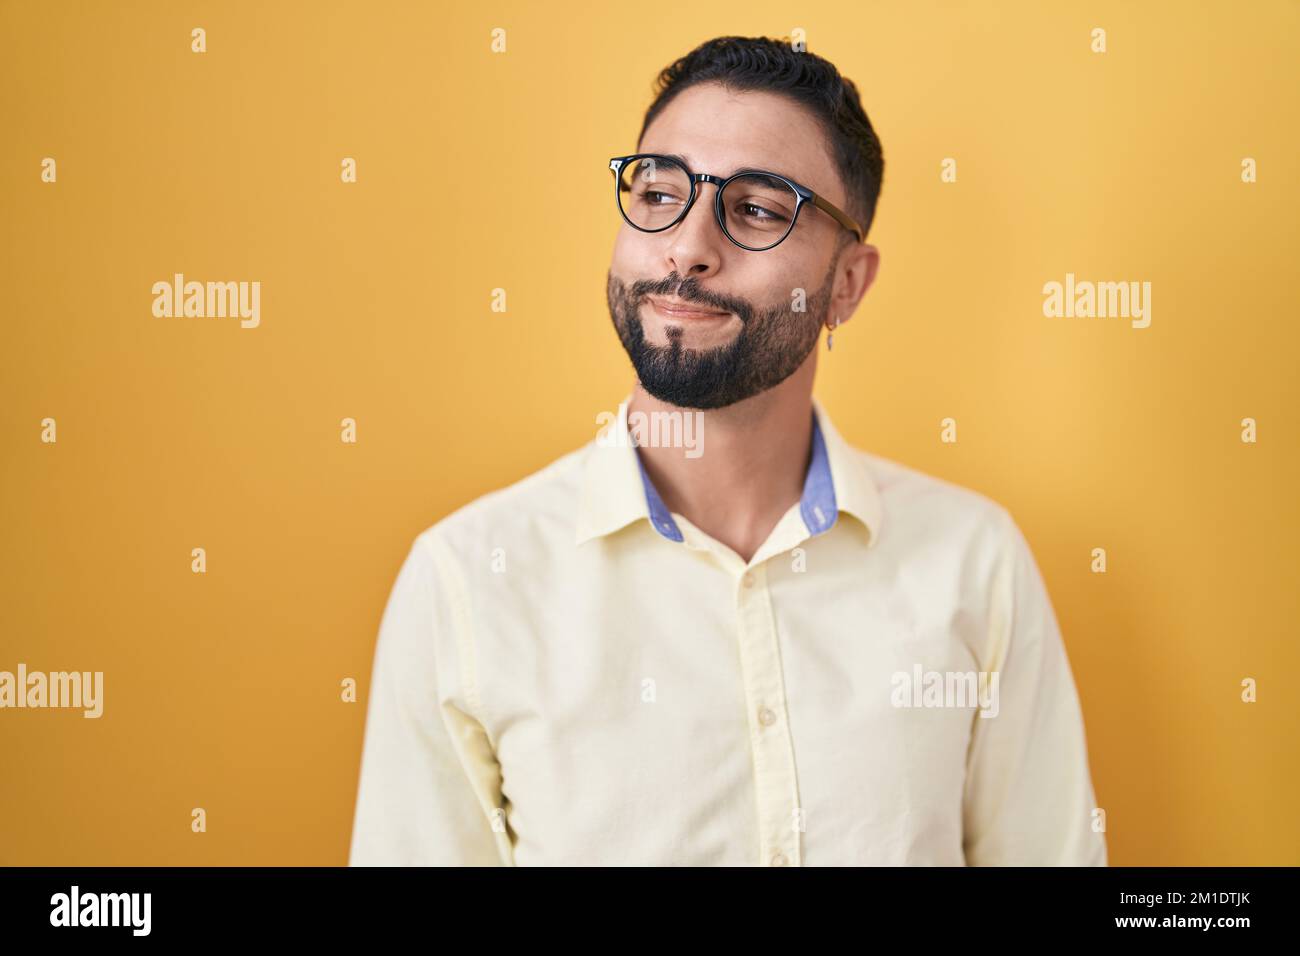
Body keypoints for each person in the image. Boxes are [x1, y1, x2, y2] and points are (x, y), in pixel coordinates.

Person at [348, 35, 1106, 866]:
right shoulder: (467, 581)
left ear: (847, 283)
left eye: (755, 209)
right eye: (659, 192)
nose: (686, 247)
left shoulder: (975, 563)